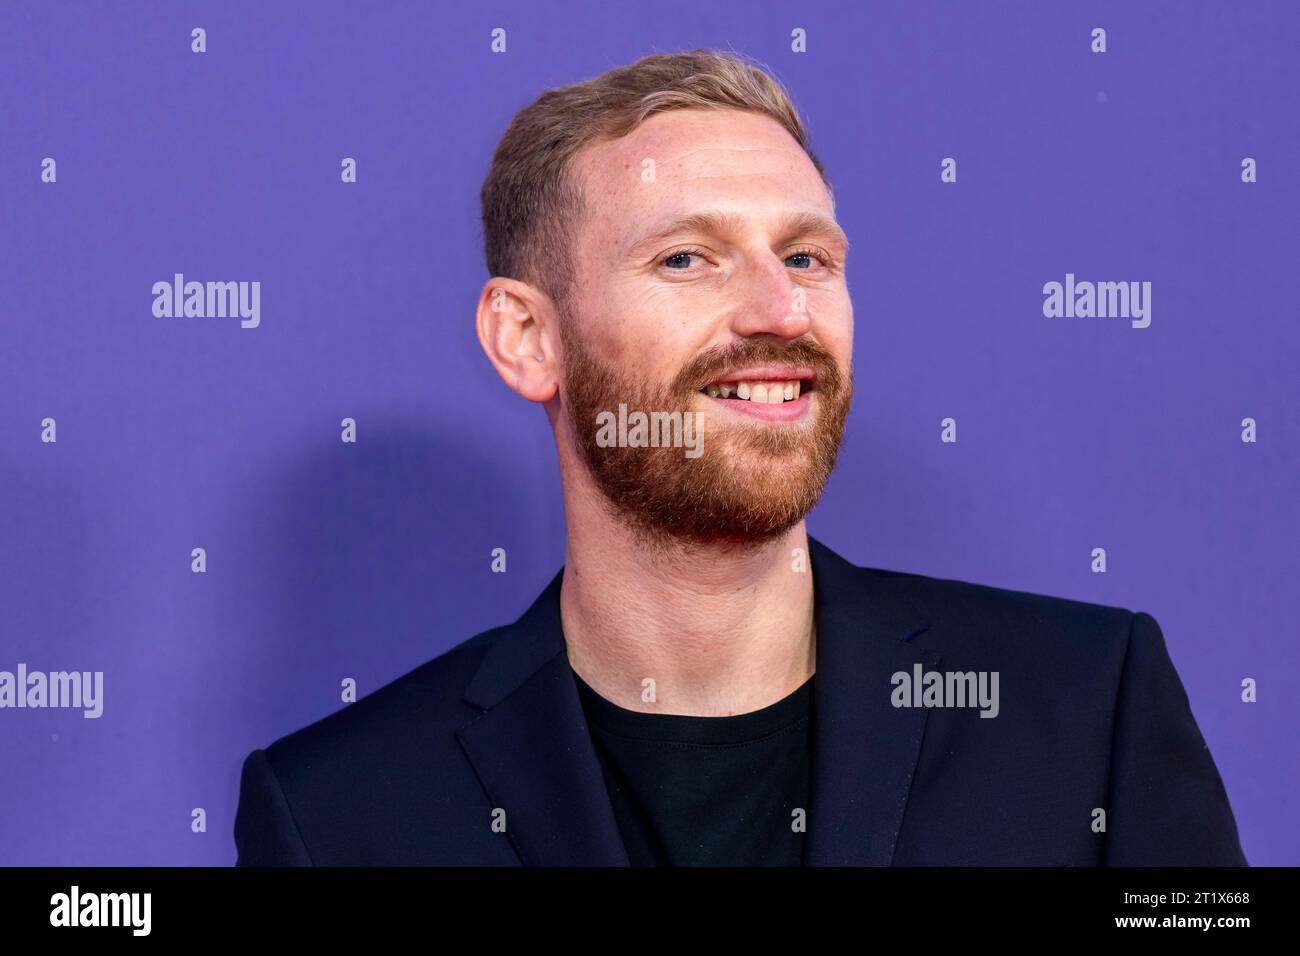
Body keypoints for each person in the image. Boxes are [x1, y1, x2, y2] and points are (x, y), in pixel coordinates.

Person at [234, 49, 1245, 866]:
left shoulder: (1082, 709)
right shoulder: (340, 814)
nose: (780, 311)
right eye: (687, 258)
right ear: (526, 338)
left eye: (806, 256)